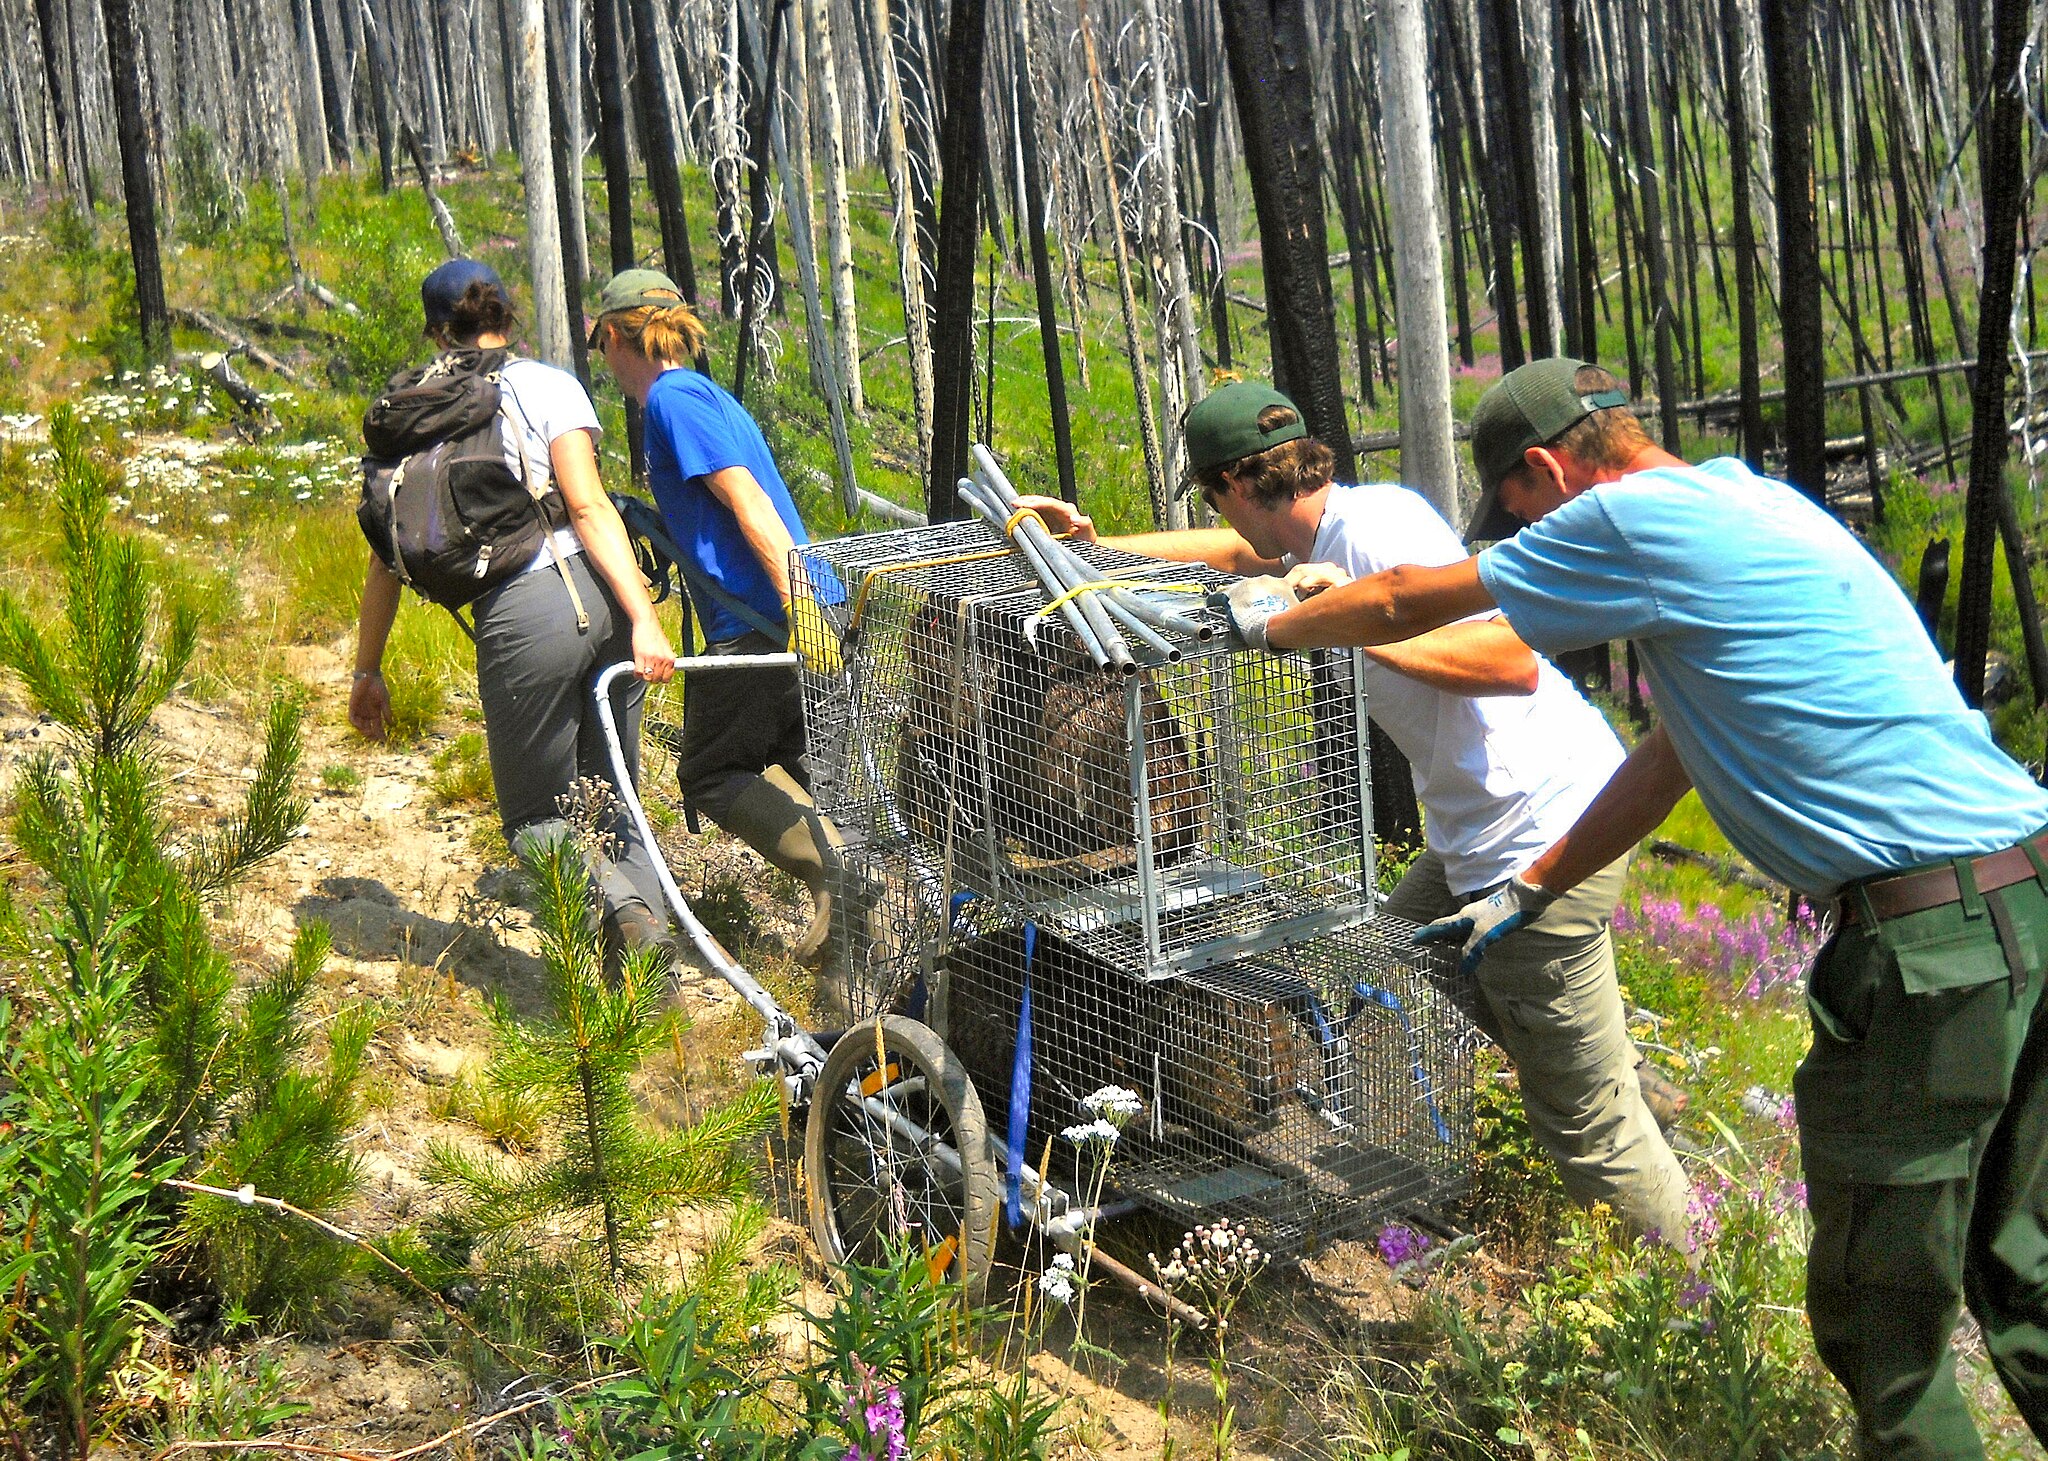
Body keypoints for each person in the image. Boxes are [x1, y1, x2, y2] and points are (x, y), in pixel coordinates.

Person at [1236, 355, 2048, 1458]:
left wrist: (1264, 629)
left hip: (1925, 947)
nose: (1521, 538)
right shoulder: (1748, 499)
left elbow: (1399, 601)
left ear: (1543, 467)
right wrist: (1532, 887)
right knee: (2022, 1267)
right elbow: (1672, 751)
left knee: (1883, 1331)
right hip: (2027, 899)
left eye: (1517, 514)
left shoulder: (1621, 518)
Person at [1015, 379, 1691, 1243]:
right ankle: (1626, 1083)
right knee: (1393, 966)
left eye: (1217, 498)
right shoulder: (1335, 524)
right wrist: (1098, 544)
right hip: (1485, 831)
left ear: (1233, 483)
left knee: (1590, 1131)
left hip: (1532, 828)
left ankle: (1695, 1308)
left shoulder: (1371, 534)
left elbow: (1510, 658)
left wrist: (1351, 626)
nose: (1224, 523)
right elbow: (1231, 558)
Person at [351, 260, 678, 952]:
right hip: (600, 591)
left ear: (437, 330)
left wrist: (366, 671)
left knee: (536, 817)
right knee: (615, 802)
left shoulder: (418, 407)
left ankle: (627, 923)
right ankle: (652, 978)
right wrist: (643, 613)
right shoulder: (548, 384)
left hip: (520, 612)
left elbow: (387, 557)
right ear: (506, 316)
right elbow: (587, 505)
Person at [586, 268, 849, 968]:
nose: (602, 359)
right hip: (794, 609)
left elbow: (747, 503)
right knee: (804, 761)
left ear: (615, 334)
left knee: (710, 770)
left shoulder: (674, 400)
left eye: (600, 344)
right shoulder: (703, 395)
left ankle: (839, 877)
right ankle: (857, 930)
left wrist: (798, 606)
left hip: (765, 618)